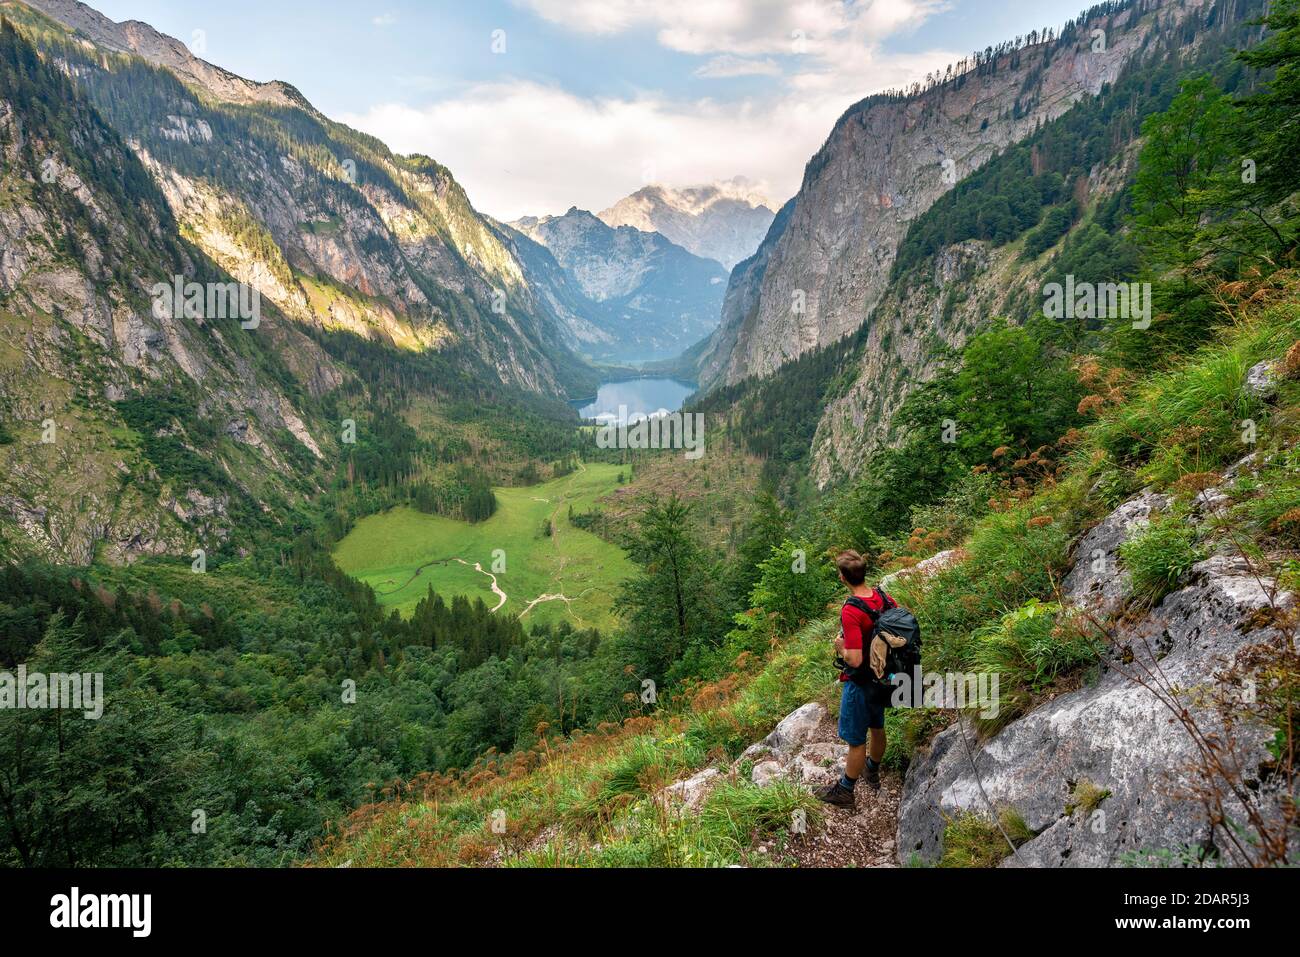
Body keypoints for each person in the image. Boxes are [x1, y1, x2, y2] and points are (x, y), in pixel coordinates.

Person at [815, 549, 891, 808]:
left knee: (856, 740)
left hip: (861, 682)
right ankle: (872, 769)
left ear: (842, 578)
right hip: (882, 678)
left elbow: (855, 659)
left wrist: (840, 647)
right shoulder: (881, 596)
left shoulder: (851, 610)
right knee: (877, 727)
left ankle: (845, 791)